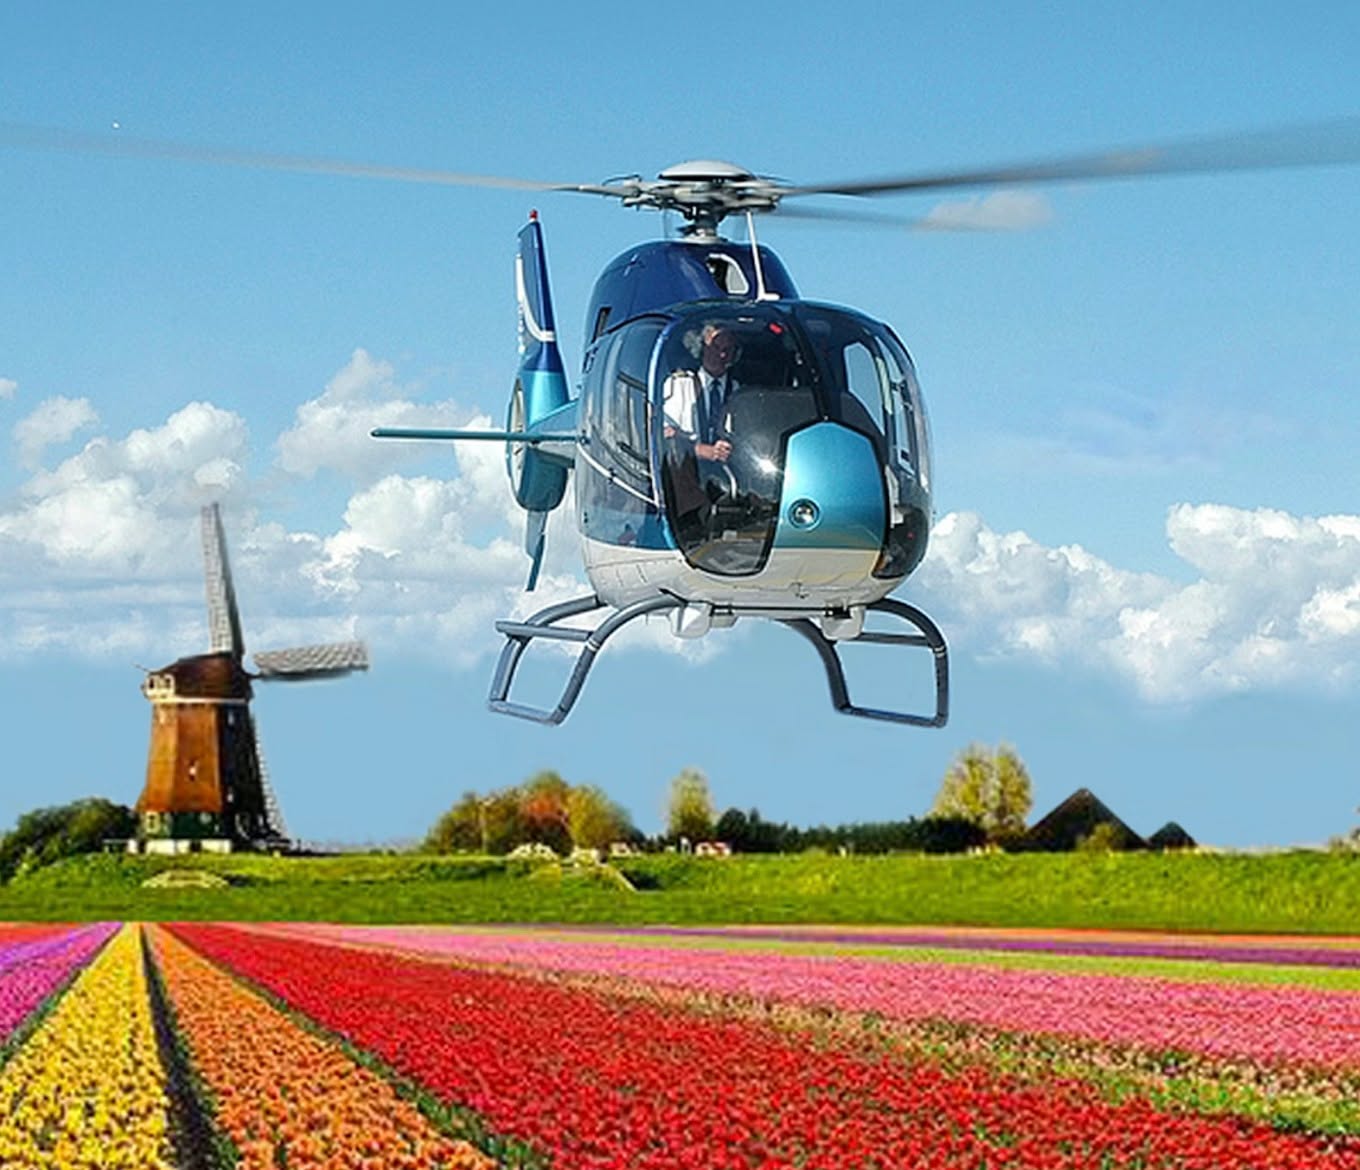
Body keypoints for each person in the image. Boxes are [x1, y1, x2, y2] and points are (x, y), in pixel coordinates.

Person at [663, 322, 740, 463]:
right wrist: (699, 450)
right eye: (715, 347)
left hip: (729, 470)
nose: (721, 355)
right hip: (684, 467)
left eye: (728, 350)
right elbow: (665, 433)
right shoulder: (679, 385)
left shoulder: (738, 392)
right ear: (703, 348)